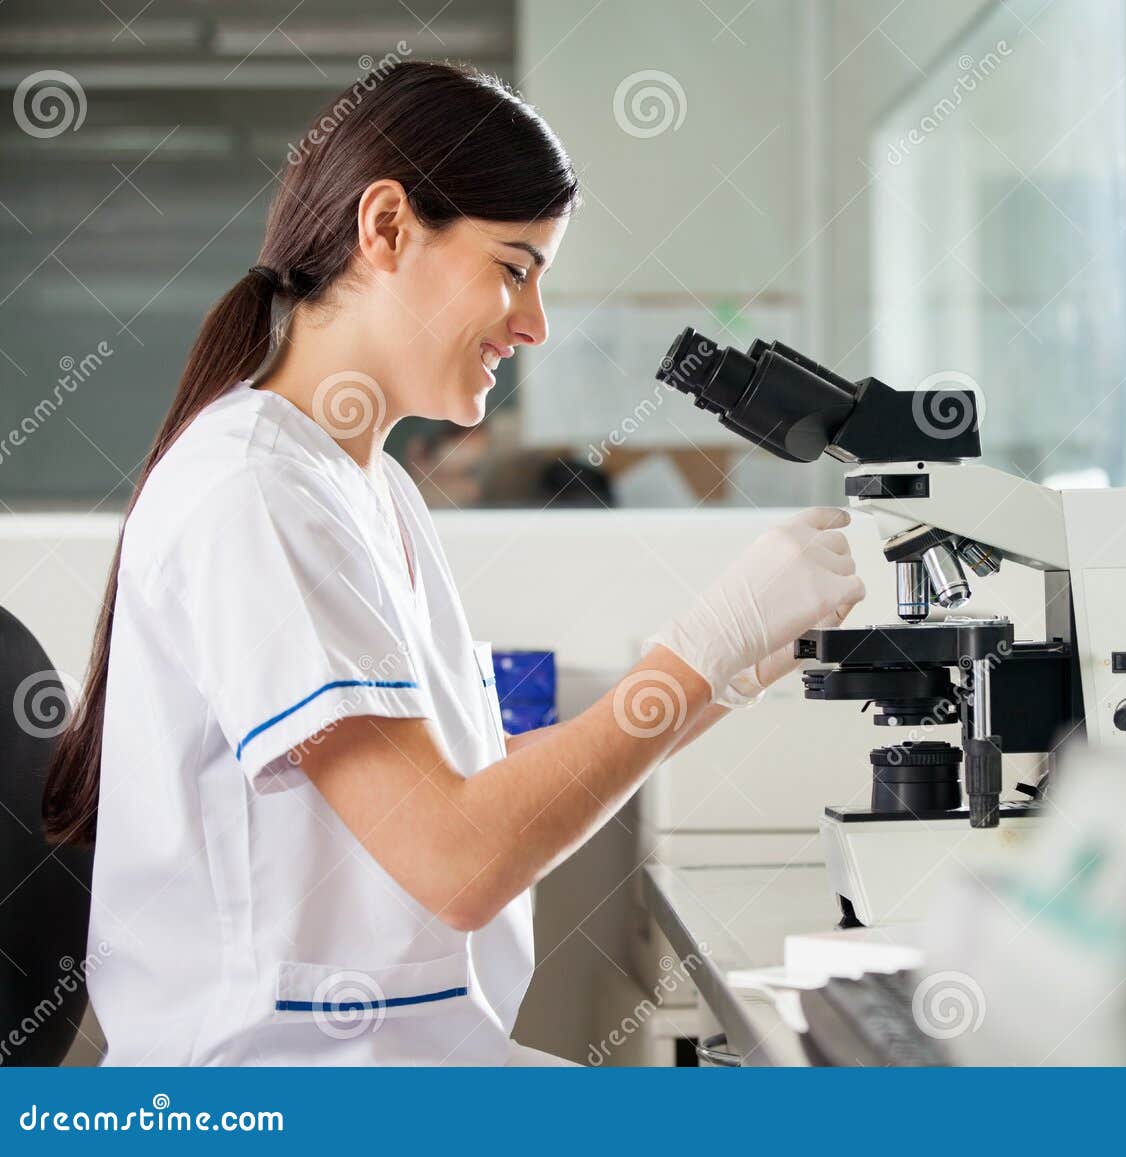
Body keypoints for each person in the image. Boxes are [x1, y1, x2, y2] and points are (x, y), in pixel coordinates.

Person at [41, 62, 863, 1066]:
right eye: (514, 266)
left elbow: (462, 791)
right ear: (385, 228)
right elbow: (457, 857)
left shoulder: (368, 483)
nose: (535, 323)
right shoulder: (255, 490)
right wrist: (698, 649)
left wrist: (729, 668)